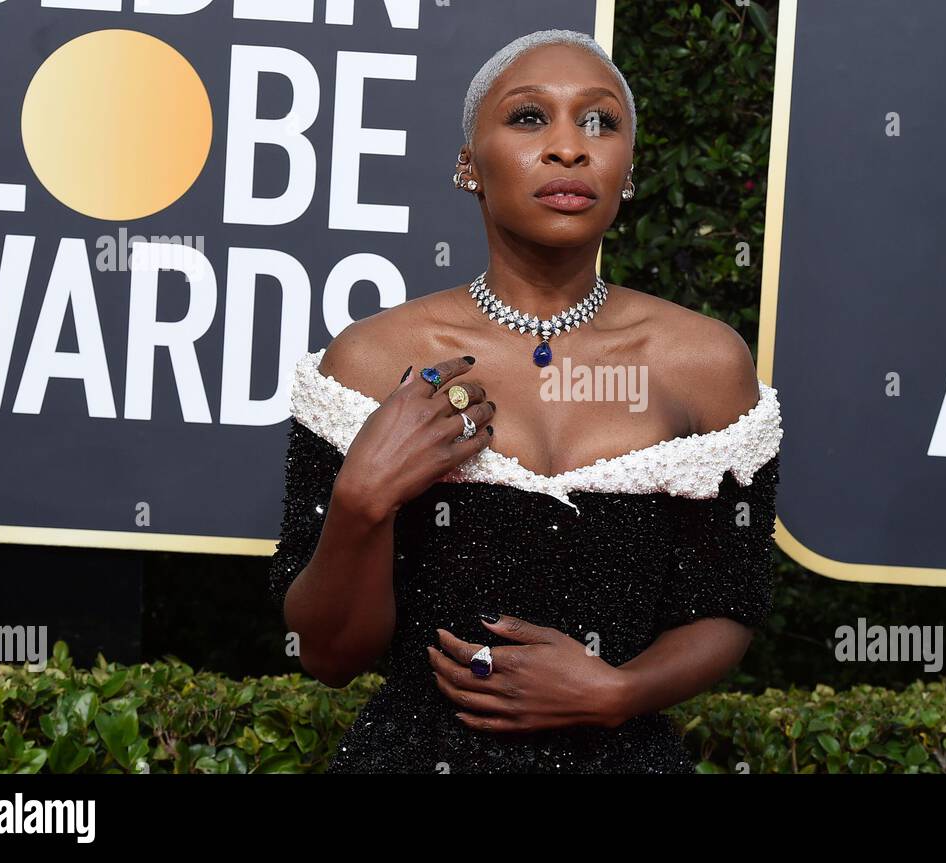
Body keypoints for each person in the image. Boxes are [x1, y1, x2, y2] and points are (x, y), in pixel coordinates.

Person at [267, 28, 783, 773]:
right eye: (529, 117)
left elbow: (728, 605)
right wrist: (360, 499)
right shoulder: (373, 357)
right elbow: (329, 655)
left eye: (600, 121)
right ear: (469, 163)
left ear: (628, 167)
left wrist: (618, 691)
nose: (570, 147)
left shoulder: (704, 362)